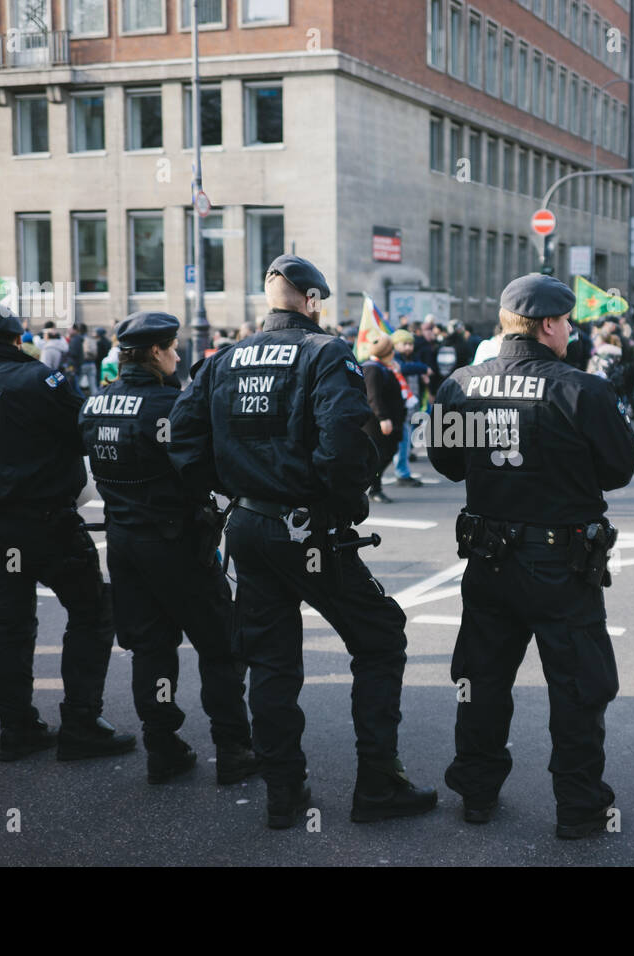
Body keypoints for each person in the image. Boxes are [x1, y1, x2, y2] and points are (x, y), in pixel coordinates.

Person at [167, 254, 437, 829]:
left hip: (248, 524)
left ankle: (283, 791)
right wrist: (341, 504)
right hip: (307, 524)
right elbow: (343, 442)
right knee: (380, 638)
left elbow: (183, 438)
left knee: (270, 659)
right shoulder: (326, 351)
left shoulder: (223, 359)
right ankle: (378, 784)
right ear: (312, 301)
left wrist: (228, 489)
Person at [427, 274, 634, 838]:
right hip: (561, 567)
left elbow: (446, 464)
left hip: (488, 561)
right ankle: (579, 807)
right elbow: (620, 468)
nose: (569, 329)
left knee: (482, 680)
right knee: (577, 687)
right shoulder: (582, 390)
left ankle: (476, 791)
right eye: (566, 321)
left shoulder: (460, 385)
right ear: (548, 324)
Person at [0, 302, 135, 763]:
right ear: (18, 337)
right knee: (92, 611)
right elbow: (85, 431)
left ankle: (18, 728)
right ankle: (82, 723)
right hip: (47, 521)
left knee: (8, 626)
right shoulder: (37, 380)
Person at [79, 312, 258, 785]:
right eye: (173, 348)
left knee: (152, 650)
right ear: (156, 352)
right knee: (220, 648)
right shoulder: (172, 406)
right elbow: (208, 470)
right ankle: (234, 748)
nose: (178, 355)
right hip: (178, 544)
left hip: (123, 542)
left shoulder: (96, 404)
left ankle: (162, 746)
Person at [361, 334, 406, 504]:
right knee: (379, 457)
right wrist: (383, 418)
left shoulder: (383, 367)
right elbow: (373, 396)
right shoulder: (373, 368)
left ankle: (373, 485)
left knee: (386, 454)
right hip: (376, 424)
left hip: (387, 421)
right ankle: (374, 488)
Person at [390, 328, 429, 488]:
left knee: (405, 441)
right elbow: (403, 369)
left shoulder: (412, 359)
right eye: (404, 344)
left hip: (412, 407)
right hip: (400, 410)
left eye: (410, 344)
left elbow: (420, 366)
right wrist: (423, 369)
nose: (408, 347)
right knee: (403, 442)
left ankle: (402, 470)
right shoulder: (395, 360)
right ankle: (402, 473)